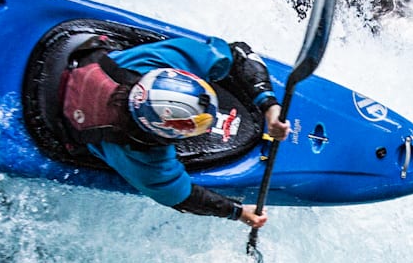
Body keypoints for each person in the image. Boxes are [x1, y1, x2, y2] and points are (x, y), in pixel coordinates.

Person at [58, 34, 291, 228]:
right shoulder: (143, 159)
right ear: (159, 130)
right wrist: (238, 212)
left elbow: (238, 53)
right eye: (198, 124)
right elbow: (182, 197)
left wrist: (270, 106)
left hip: (79, 67)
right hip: (71, 126)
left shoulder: (154, 63)